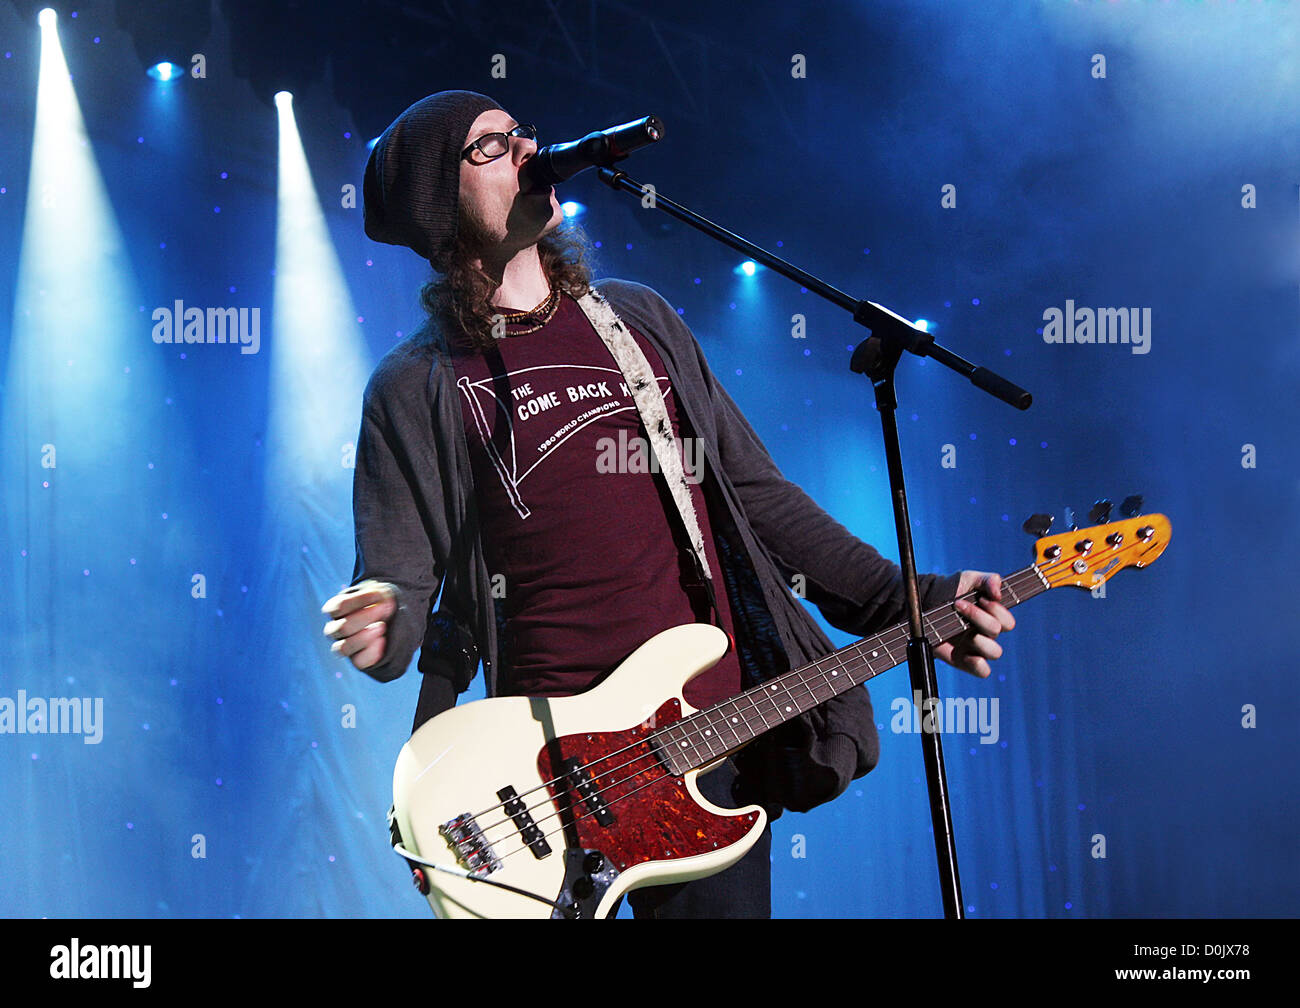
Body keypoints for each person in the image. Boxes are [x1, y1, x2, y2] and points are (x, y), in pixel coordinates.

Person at [321, 90, 1015, 918]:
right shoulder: (416, 384)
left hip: (702, 741)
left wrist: (915, 599)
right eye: (489, 147)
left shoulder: (636, 322)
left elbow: (758, 499)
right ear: (440, 203)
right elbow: (397, 588)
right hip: (543, 781)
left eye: (520, 132)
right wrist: (384, 618)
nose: (524, 148)